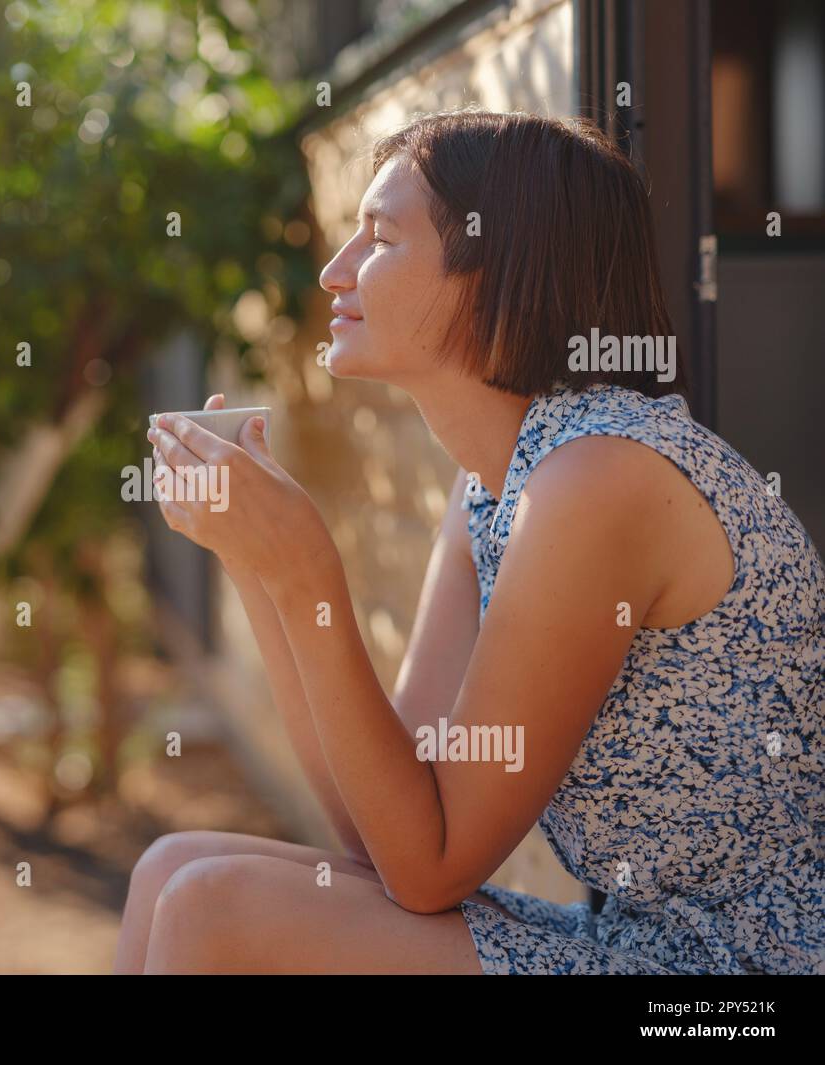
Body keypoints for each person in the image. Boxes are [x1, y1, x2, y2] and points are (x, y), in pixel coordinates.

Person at [120, 109, 825, 975]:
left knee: (213, 907)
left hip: (745, 984)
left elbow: (431, 869)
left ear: (496, 271)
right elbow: (384, 828)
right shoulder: (495, 487)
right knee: (172, 867)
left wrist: (306, 571)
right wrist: (255, 561)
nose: (336, 273)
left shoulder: (597, 476)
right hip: (651, 947)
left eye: (378, 238)